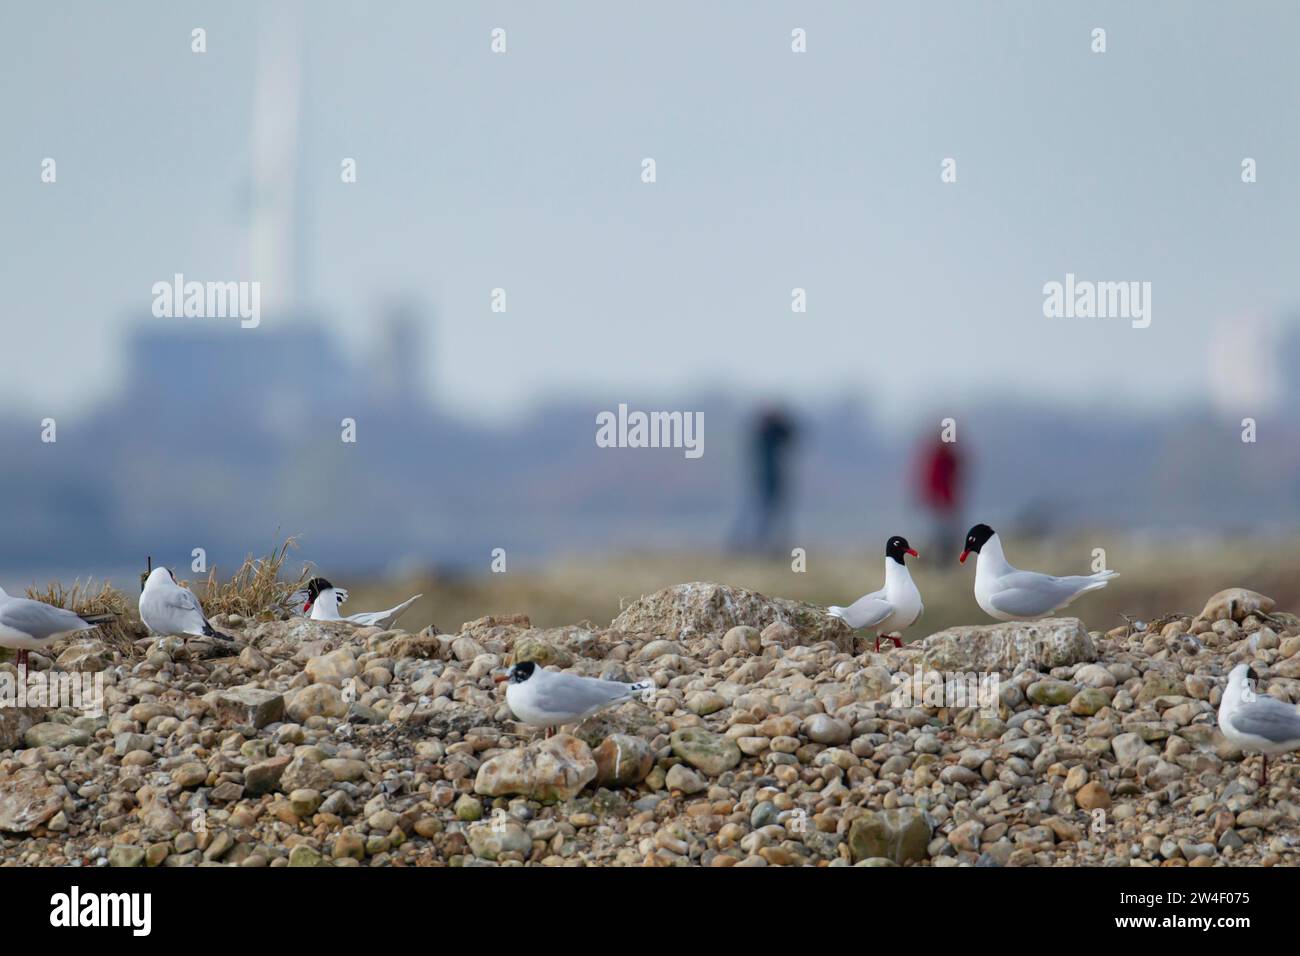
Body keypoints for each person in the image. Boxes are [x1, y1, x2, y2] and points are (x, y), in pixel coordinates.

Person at [730, 407, 798, 554]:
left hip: (773, 480)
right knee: (761, 514)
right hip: (766, 480)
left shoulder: (770, 434)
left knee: (768, 514)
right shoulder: (764, 435)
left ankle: (766, 545)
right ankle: (750, 544)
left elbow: (790, 436)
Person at [913, 435, 964, 559]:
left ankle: (944, 557)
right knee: (942, 533)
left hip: (944, 501)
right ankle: (941, 558)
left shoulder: (943, 458)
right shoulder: (942, 458)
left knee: (945, 532)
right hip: (941, 501)